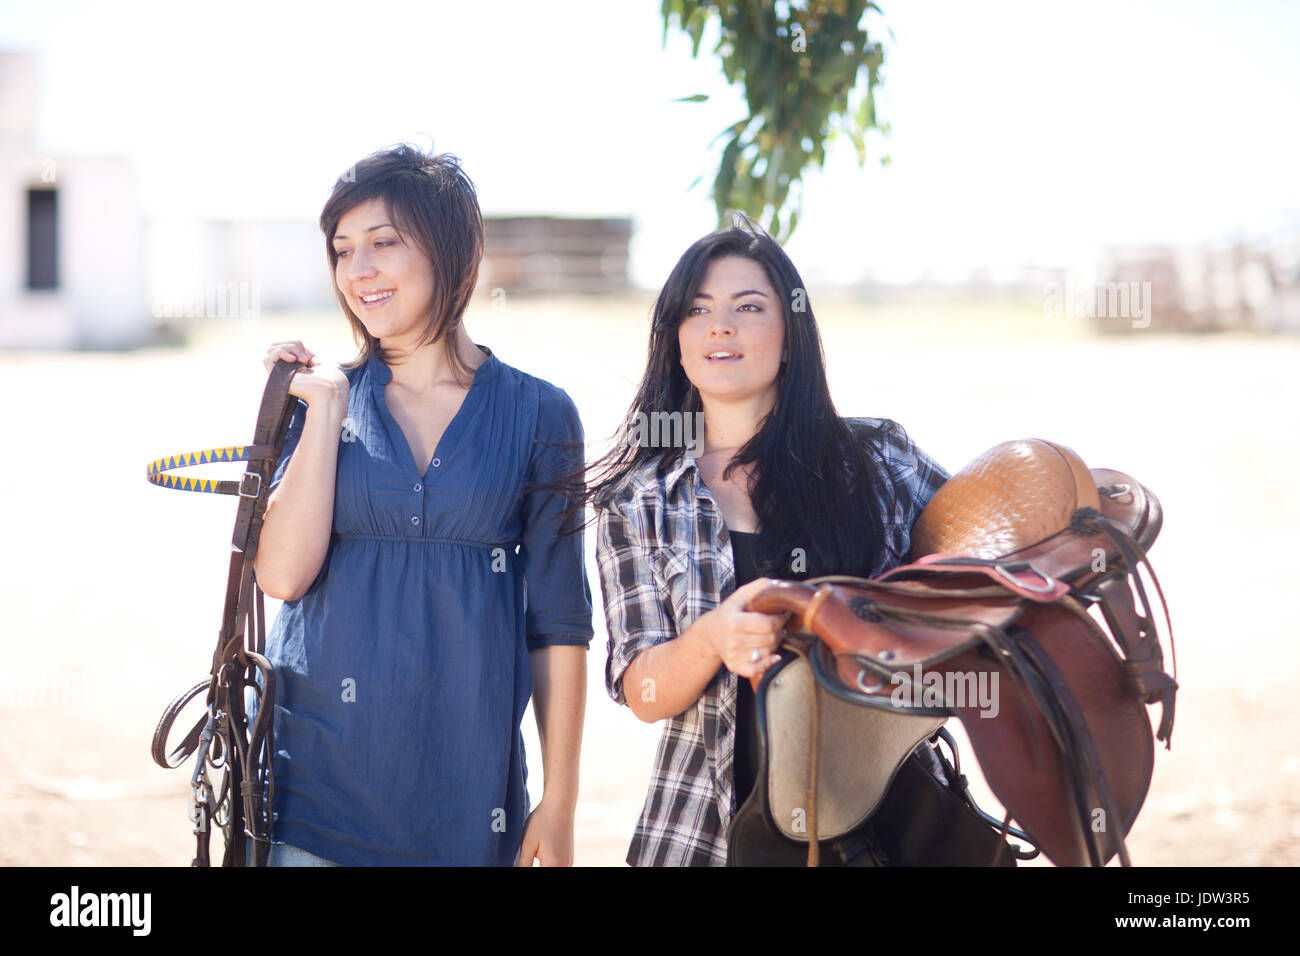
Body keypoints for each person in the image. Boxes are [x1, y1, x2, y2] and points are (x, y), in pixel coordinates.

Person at [252, 144, 592, 866]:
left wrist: (559, 804)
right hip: (310, 794)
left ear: (449, 251)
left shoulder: (540, 413)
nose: (359, 271)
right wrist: (323, 414)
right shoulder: (319, 398)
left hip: (467, 806)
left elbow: (559, 621)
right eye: (343, 251)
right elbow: (281, 577)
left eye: (383, 243)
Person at [587, 217, 949, 866]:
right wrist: (712, 637)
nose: (719, 326)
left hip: (890, 828)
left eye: (748, 307)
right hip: (710, 834)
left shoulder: (880, 460)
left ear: (791, 338)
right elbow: (643, 689)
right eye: (698, 311)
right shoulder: (636, 501)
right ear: (676, 343)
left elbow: (976, 567)